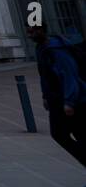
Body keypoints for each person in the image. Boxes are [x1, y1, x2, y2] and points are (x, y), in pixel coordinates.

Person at [28, 25, 86, 175]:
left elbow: (69, 74)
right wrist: (45, 96)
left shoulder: (56, 48)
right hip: (56, 100)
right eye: (28, 32)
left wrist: (69, 101)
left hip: (71, 101)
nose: (30, 35)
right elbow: (44, 75)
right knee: (63, 135)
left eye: (33, 31)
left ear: (42, 30)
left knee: (68, 135)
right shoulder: (41, 48)